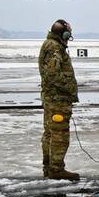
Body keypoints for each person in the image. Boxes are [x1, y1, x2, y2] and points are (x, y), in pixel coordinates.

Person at [39, 19, 80, 182]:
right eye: (68, 33)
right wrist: (70, 87)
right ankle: (56, 169)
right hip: (58, 100)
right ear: (63, 34)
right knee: (59, 135)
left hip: (52, 98)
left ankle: (49, 167)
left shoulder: (50, 45)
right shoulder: (55, 48)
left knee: (50, 133)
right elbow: (52, 74)